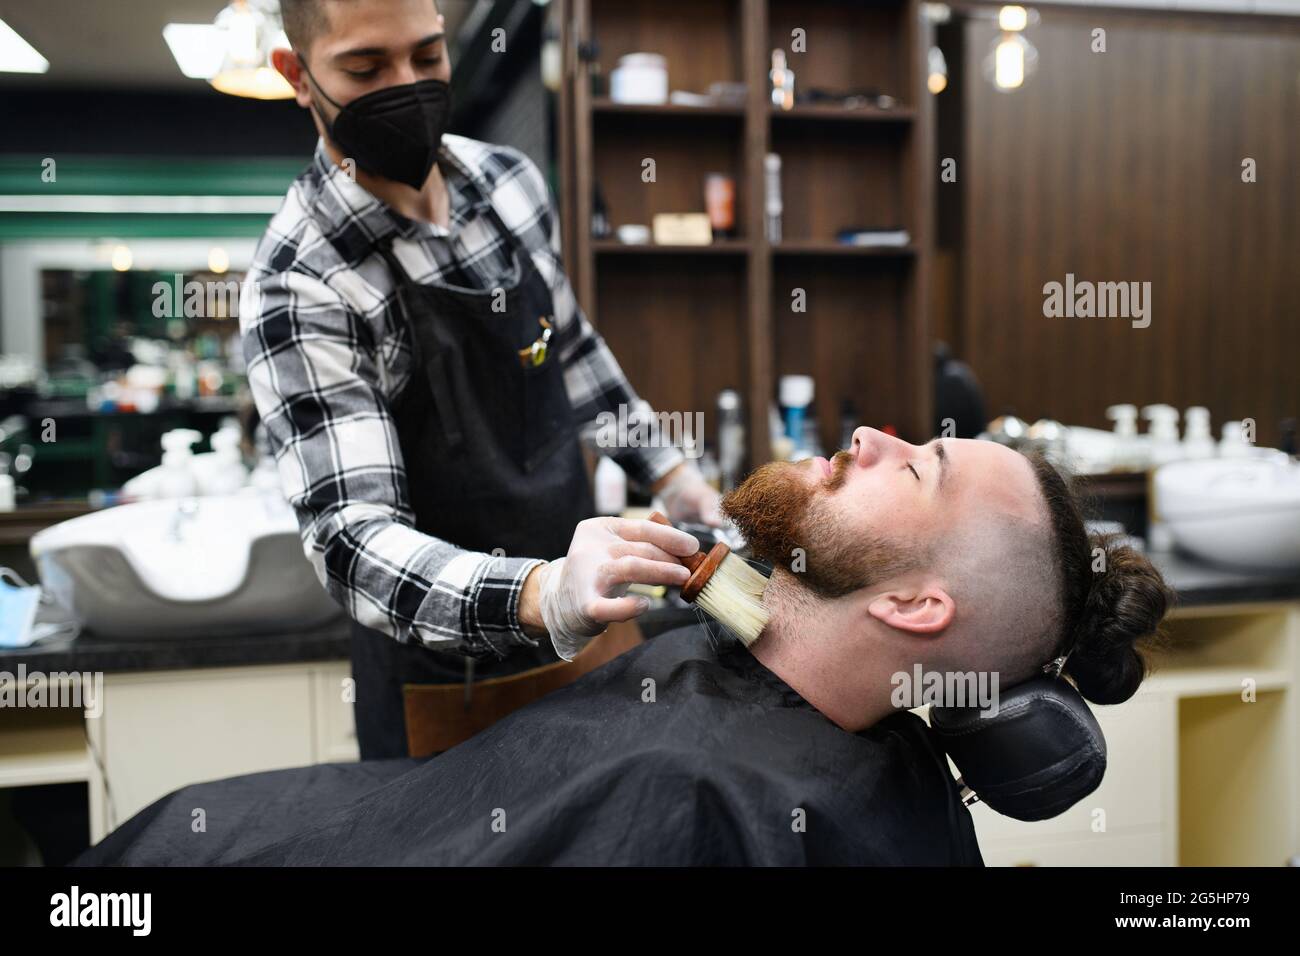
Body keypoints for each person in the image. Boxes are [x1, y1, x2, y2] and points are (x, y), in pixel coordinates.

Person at [79, 429, 1173, 866]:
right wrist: (547, 589)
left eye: (914, 467)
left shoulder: (704, 799)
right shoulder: (801, 722)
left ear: (922, 610)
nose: (868, 437)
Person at [241, 0, 721, 758]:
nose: (407, 84)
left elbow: (568, 352)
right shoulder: (301, 284)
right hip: (445, 683)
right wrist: (541, 594)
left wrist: (677, 480)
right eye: (367, 68)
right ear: (298, 76)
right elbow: (352, 539)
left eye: (428, 58)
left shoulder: (510, 185)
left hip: (594, 628)